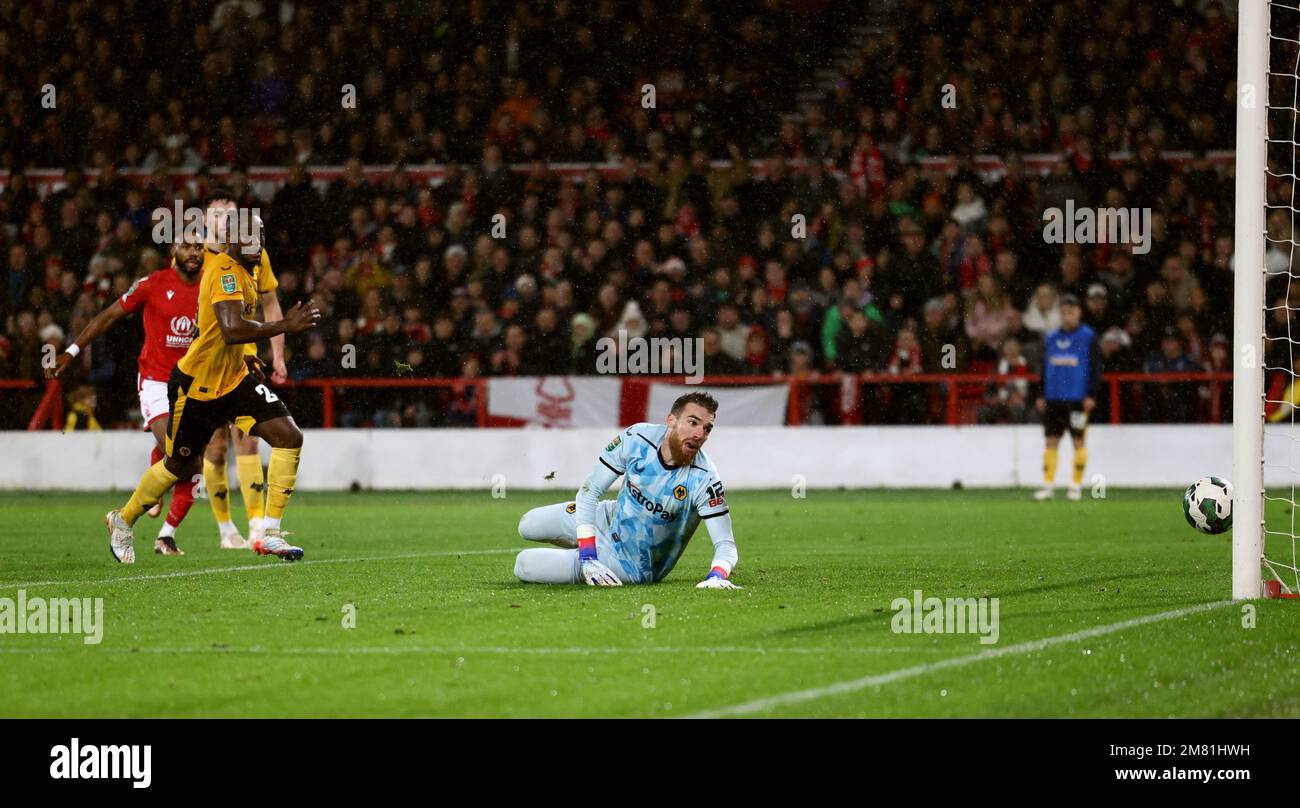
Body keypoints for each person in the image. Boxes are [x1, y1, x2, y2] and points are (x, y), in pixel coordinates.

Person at [104, 214, 320, 563]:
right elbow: (232, 329)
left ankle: (270, 533)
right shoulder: (224, 271)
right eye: (251, 235)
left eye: (262, 235)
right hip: (198, 387)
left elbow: (226, 334)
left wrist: (245, 358)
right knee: (180, 466)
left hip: (234, 380)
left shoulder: (248, 268)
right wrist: (284, 325)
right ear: (233, 238)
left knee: (289, 436)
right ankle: (123, 519)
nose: (259, 242)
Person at [50, 235, 205, 554]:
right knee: (181, 454)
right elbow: (108, 316)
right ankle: (124, 520)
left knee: (191, 463)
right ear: (173, 251)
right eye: (187, 246)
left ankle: (163, 533)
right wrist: (72, 350)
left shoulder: (212, 285)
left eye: (200, 247)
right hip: (157, 383)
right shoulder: (151, 284)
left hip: (195, 384)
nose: (194, 252)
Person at [513, 392, 740, 588]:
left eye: (707, 428)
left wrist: (716, 576)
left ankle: (576, 557)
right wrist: (588, 555)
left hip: (628, 564)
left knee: (524, 564)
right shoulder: (637, 437)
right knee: (528, 524)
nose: (700, 434)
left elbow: (726, 546)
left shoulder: (705, 479)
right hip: (608, 518)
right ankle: (583, 546)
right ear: (671, 420)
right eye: (693, 422)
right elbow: (589, 491)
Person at [200, 189, 290, 549]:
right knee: (215, 448)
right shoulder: (195, 258)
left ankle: (256, 525)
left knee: (248, 438)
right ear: (205, 220)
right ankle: (226, 531)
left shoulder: (256, 254)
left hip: (244, 360)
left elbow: (271, 304)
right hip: (206, 364)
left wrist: (278, 356)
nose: (225, 221)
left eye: (231, 214)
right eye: (218, 214)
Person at [1034, 294, 1101, 501]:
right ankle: (1048, 485)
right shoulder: (1051, 337)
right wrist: (1040, 393)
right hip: (1053, 398)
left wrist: (1091, 394)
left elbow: (1096, 368)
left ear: (1079, 313)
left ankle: (1075, 485)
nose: (1067, 316)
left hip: (1077, 399)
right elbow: (1043, 367)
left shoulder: (1088, 336)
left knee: (1078, 440)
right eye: (1064, 313)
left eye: (1071, 312)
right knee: (1050, 441)